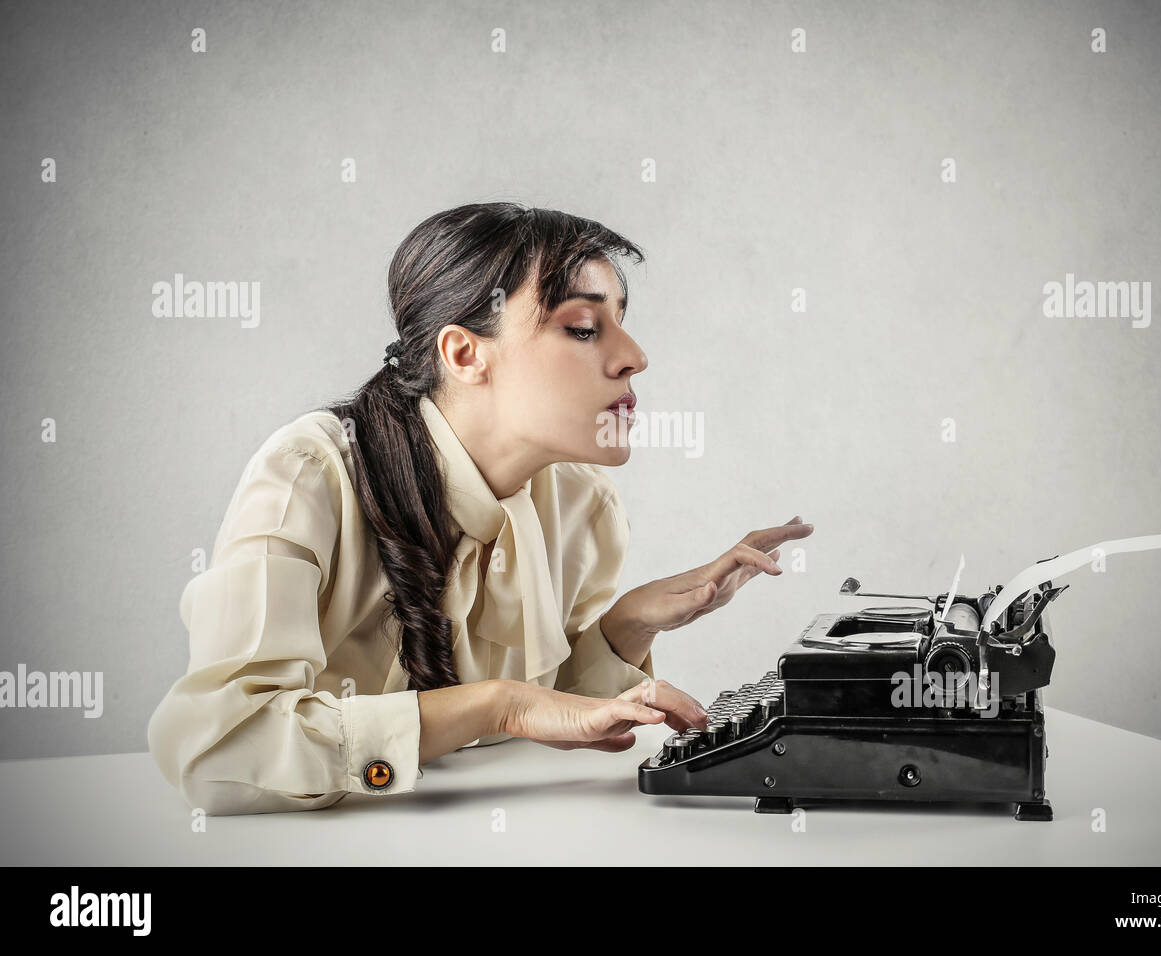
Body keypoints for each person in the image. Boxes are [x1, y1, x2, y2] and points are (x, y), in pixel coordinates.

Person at [146, 202, 814, 814]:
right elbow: (217, 755)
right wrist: (502, 706)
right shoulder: (309, 477)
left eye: (622, 324)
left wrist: (628, 626)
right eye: (583, 328)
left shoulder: (581, 502)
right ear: (464, 353)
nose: (633, 357)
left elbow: (555, 715)